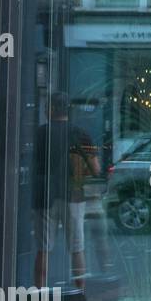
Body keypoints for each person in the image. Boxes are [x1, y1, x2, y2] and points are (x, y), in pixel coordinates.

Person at [33, 93, 100, 289]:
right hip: (73, 195)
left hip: (45, 196)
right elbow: (95, 169)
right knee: (77, 248)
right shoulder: (80, 133)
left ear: (52, 109)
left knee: (43, 249)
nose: (45, 110)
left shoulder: (40, 133)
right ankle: (80, 295)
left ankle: (40, 294)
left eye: (47, 107)